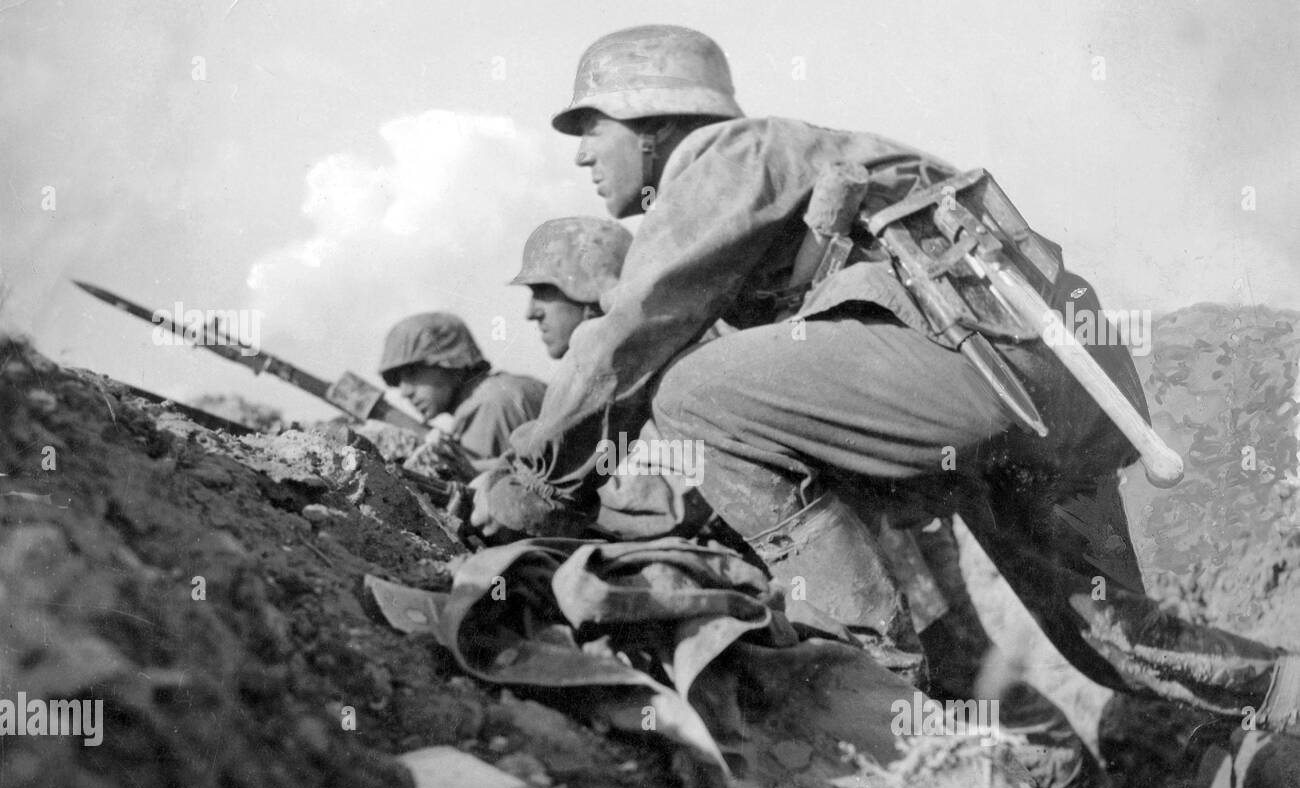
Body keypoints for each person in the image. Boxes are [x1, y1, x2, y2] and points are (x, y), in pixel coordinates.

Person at [474, 24, 1300, 741]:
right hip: (1055, 381)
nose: (582, 152)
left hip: (973, 369)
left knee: (690, 390)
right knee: (1114, 640)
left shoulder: (725, 155)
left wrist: (533, 476)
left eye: (593, 127)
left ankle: (870, 661)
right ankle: (1285, 690)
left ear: (654, 124)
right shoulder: (804, 156)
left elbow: (634, 328)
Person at [507, 215, 712, 538]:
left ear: (590, 294)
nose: (531, 312)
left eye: (543, 290)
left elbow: (680, 501)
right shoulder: (593, 387)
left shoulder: (639, 380)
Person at [378, 311, 544, 478]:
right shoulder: (507, 388)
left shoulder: (487, 406)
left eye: (412, 372)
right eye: (399, 380)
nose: (405, 391)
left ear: (448, 362)